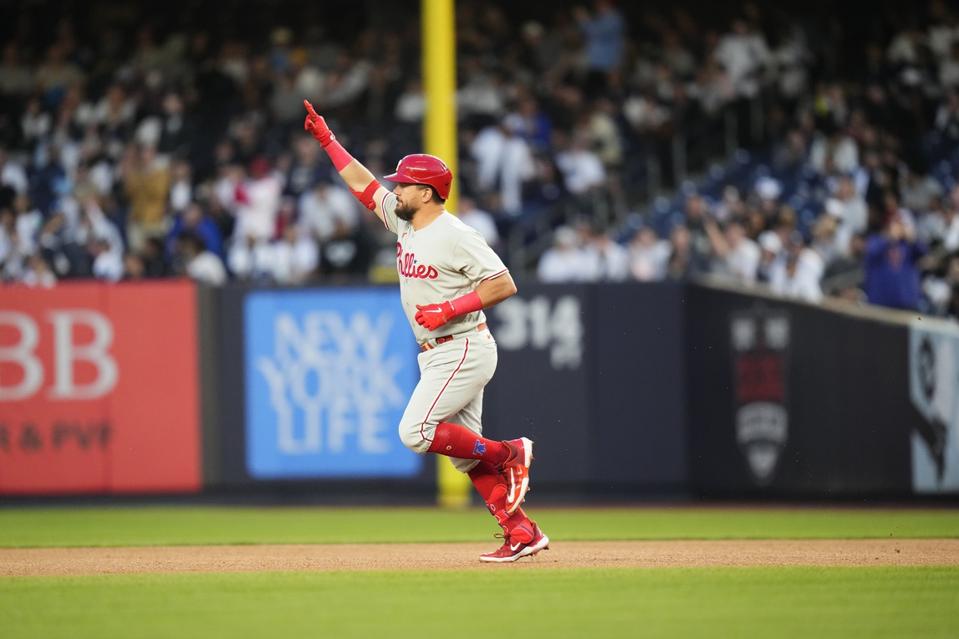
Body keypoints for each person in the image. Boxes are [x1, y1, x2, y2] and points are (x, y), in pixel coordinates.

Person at [303, 100, 549, 563]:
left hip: (463, 345)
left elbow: (503, 283)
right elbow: (363, 185)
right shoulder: (407, 223)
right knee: (466, 456)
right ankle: (521, 531)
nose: (395, 190)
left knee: (415, 431)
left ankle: (509, 453)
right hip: (438, 350)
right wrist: (328, 141)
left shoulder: (456, 234)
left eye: (404, 185)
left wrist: (450, 308)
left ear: (427, 192)